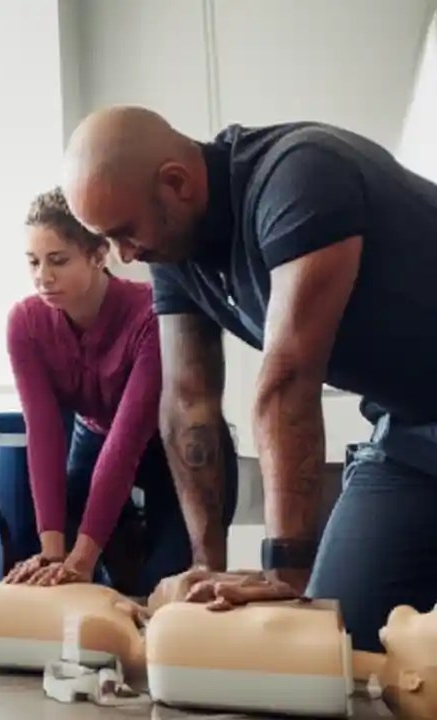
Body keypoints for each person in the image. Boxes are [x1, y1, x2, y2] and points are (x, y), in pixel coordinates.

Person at [60, 105, 437, 652]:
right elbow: (187, 404)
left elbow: (288, 380)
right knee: (334, 636)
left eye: (124, 233)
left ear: (176, 183)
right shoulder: (172, 250)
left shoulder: (300, 175)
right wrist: (205, 569)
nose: (124, 256)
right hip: (409, 431)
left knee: (307, 603)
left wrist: (284, 571)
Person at [1, 187, 237, 597]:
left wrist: (83, 558)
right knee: (52, 555)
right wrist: (55, 555)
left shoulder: (151, 315)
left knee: (161, 589)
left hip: (176, 449)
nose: (43, 276)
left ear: (98, 255)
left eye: (58, 260)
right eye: (33, 262)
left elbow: (126, 443)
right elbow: (44, 433)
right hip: (96, 437)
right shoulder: (25, 322)